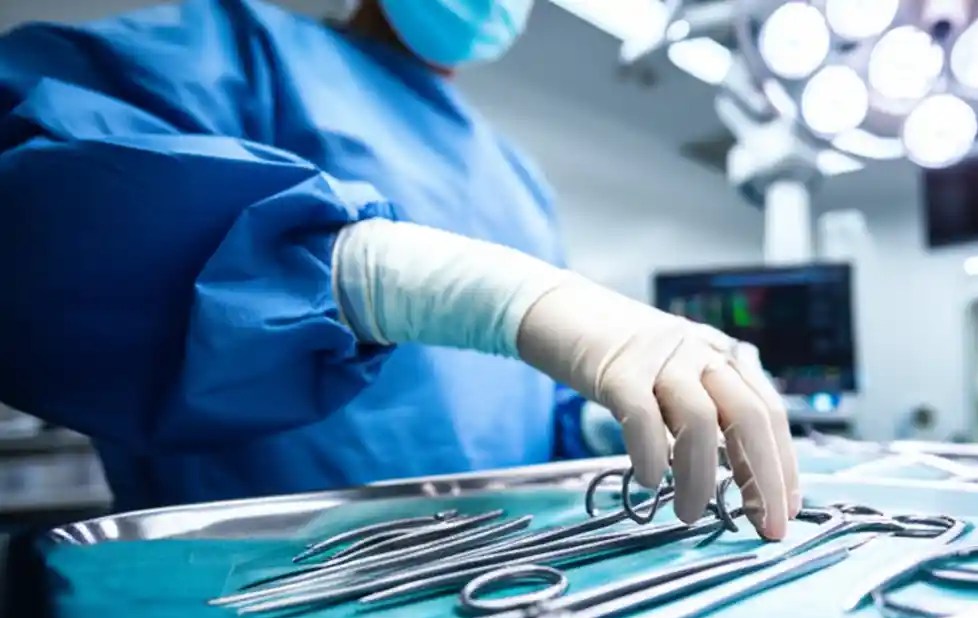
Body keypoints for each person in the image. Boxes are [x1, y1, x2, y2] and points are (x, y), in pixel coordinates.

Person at [0, 0, 800, 538]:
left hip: (497, 586)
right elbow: (37, 215)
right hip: (250, 600)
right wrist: (367, 275)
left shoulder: (514, 176)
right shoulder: (243, 53)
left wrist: (619, 418)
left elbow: (509, 414)